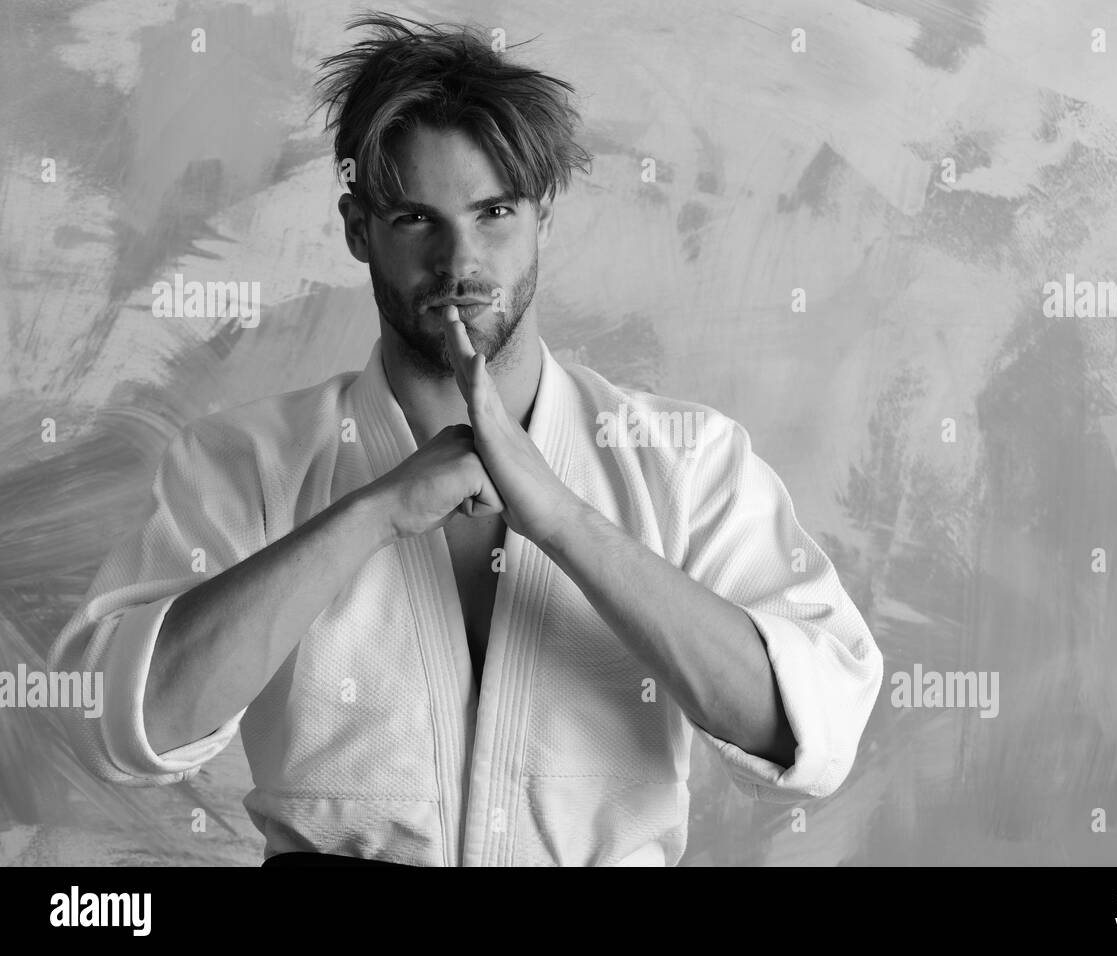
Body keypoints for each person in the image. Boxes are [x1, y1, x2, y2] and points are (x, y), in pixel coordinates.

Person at [48, 13, 883, 867]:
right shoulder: (242, 459)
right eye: (416, 217)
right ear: (355, 228)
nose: (459, 260)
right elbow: (129, 724)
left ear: (543, 219)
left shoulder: (684, 457)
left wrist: (559, 517)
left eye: (494, 212)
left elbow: (809, 731)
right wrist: (374, 512)